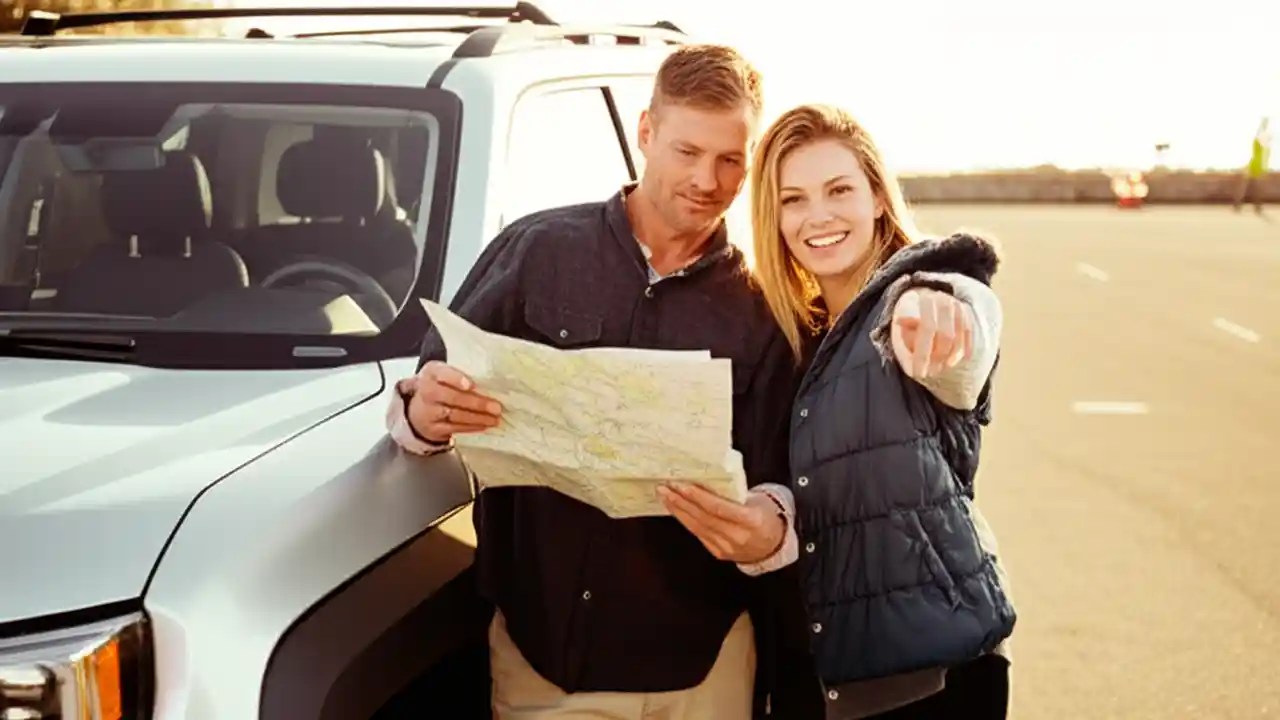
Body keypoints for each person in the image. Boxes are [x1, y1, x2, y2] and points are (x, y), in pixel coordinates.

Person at [385, 44, 807, 719]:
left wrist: (770, 528)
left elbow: (784, 472)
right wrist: (421, 416)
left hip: (705, 666)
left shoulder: (765, 305)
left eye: (732, 159)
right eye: (686, 151)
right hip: (544, 661)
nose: (708, 180)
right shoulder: (537, 251)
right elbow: (425, 396)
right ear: (646, 133)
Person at [659, 103, 1016, 719]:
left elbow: (964, 323)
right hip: (816, 676)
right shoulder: (795, 337)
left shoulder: (915, 296)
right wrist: (765, 530)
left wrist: (943, 312)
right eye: (794, 199)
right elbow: (819, 493)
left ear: (878, 196)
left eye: (839, 190)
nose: (817, 216)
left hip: (928, 679)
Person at [1233, 116, 1271, 214]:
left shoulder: (1258, 141)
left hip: (1254, 163)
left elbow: (1259, 135)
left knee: (1247, 186)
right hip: (1257, 165)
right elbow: (1265, 154)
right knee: (1256, 187)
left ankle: (1239, 205)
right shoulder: (1263, 143)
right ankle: (1256, 206)